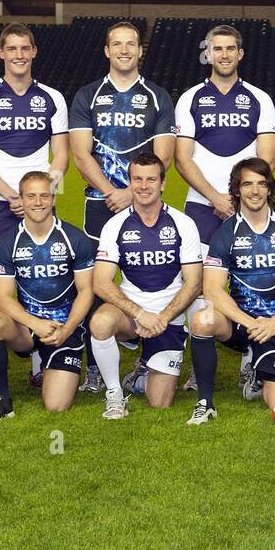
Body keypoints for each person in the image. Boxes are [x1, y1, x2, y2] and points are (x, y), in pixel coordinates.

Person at [68, 20, 175, 393]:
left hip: (142, 198)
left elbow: (165, 154)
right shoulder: (87, 95)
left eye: (131, 44)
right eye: (117, 44)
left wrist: (130, 192)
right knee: (97, 285)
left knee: (152, 274)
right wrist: (110, 191)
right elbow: (81, 154)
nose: (125, 50)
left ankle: (149, 355)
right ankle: (96, 366)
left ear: (140, 51)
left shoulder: (158, 96)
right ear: (107, 50)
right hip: (100, 203)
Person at [174, 25, 275, 395]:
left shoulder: (259, 99)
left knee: (254, 280)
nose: (224, 55)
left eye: (231, 48)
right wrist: (216, 198)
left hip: (248, 206)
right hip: (202, 207)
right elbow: (181, 159)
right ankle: (196, 362)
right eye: (217, 49)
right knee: (199, 284)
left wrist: (236, 199)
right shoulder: (189, 98)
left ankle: (252, 360)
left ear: (240, 53)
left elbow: (267, 157)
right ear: (208, 54)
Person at [188, 158, 275, 425]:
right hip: (240, 323)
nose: (254, 191)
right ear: (237, 190)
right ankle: (205, 404)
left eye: (261, 184)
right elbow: (211, 289)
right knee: (202, 319)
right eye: (247, 184)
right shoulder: (225, 232)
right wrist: (250, 322)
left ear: (269, 189)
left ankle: (258, 372)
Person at [89, 155, 203, 418]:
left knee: (159, 402)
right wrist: (141, 314)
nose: (143, 186)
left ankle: (142, 371)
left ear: (163, 183)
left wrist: (162, 318)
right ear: (129, 183)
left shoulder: (182, 223)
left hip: (168, 317)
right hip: (132, 316)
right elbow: (101, 282)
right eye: (137, 179)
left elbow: (194, 282)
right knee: (101, 322)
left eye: (151, 179)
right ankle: (115, 395)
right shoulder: (115, 225)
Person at [0, 172, 95, 418]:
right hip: (26, 328)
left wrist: (67, 329)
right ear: (20, 199)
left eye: (44, 195)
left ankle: (50, 364)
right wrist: (35, 324)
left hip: (65, 329)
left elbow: (86, 291)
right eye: (31, 196)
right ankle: (2, 399)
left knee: (56, 405)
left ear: (53, 199)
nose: (38, 202)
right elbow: (2, 297)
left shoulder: (75, 238)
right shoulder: (9, 242)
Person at [0, 23, 69, 242]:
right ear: (1, 53)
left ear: (34, 51)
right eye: (12, 49)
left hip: (40, 203)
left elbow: (62, 155)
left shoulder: (54, 97)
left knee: (40, 272)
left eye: (24, 48)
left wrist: (46, 191)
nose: (19, 55)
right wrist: (11, 196)